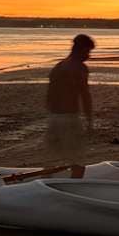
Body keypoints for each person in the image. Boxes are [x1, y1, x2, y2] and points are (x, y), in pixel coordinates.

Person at [45, 34, 95, 178]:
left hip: (54, 117)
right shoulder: (79, 67)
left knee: (51, 158)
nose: (88, 56)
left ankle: (47, 184)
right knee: (78, 160)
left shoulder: (59, 66)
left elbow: (50, 95)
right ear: (81, 49)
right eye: (88, 52)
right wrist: (89, 120)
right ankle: (75, 187)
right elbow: (85, 95)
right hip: (70, 118)